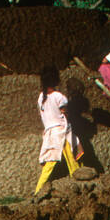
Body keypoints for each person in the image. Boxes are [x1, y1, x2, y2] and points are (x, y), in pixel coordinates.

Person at [35, 67, 83, 195]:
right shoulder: (59, 97)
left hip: (51, 134)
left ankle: (37, 192)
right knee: (72, 160)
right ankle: (82, 186)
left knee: (49, 164)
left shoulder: (41, 98)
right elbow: (64, 114)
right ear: (56, 80)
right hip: (62, 132)